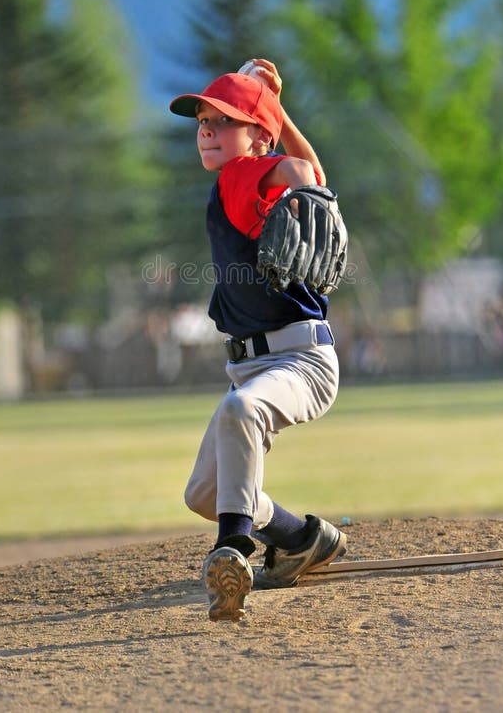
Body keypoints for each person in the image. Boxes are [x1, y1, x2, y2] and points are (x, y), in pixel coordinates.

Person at [169, 59, 347, 622]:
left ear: (254, 136)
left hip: (300, 360)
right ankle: (300, 539)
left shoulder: (240, 174)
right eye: (202, 120)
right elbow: (306, 170)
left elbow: (297, 167)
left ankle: (234, 552)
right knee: (204, 493)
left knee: (241, 413)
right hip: (255, 367)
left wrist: (279, 136)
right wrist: (266, 104)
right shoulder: (249, 185)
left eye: (221, 120)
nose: (205, 129)